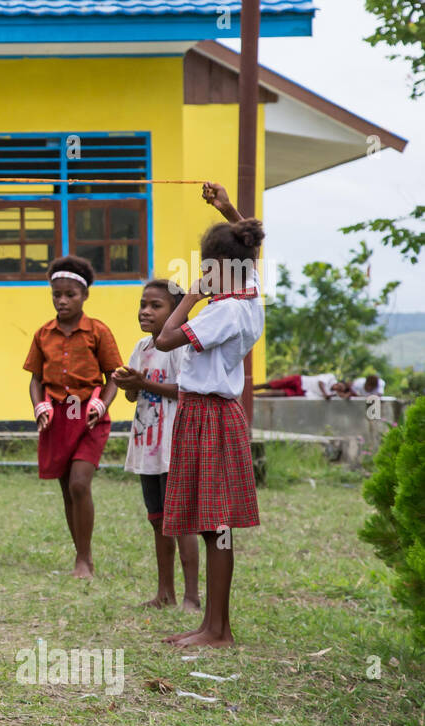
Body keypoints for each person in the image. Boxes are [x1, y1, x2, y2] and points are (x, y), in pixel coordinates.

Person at [154, 181, 264, 648]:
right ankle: (211, 625)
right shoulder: (249, 296)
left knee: (215, 524)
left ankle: (219, 629)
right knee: (209, 521)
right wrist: (229, 210)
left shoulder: (221, 313)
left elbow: (164, 339)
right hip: (215, 414)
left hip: (208, 415)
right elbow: (250, 250)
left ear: (218, 270)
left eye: (206, 267)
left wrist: (191, 295)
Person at [24, 255, 122, 579]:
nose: (62, 301)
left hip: (88, 414)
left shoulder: (98, 332)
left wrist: (102, 406)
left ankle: (86, 558)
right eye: (57, 295)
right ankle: (80, 555)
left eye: (70, 295)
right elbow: (36, 379)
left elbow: (113, 378)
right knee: (67, 488)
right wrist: (38, 406)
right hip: (57, 416)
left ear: (85, 295)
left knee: (80, 483)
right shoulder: (43, 334)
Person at [112, 280, 201, 611]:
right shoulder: (142, 347)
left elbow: (186, 391)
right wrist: (129, 387)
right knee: (157, 518)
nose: (145, 311)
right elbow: (135, 394)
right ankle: (165, 592)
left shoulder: (181, 348)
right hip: (147, 445)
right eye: (142, 304)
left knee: (181, 521)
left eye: (156, 306)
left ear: (176, 311)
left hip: (173, 445)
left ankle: (191, 596)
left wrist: (143, 382)